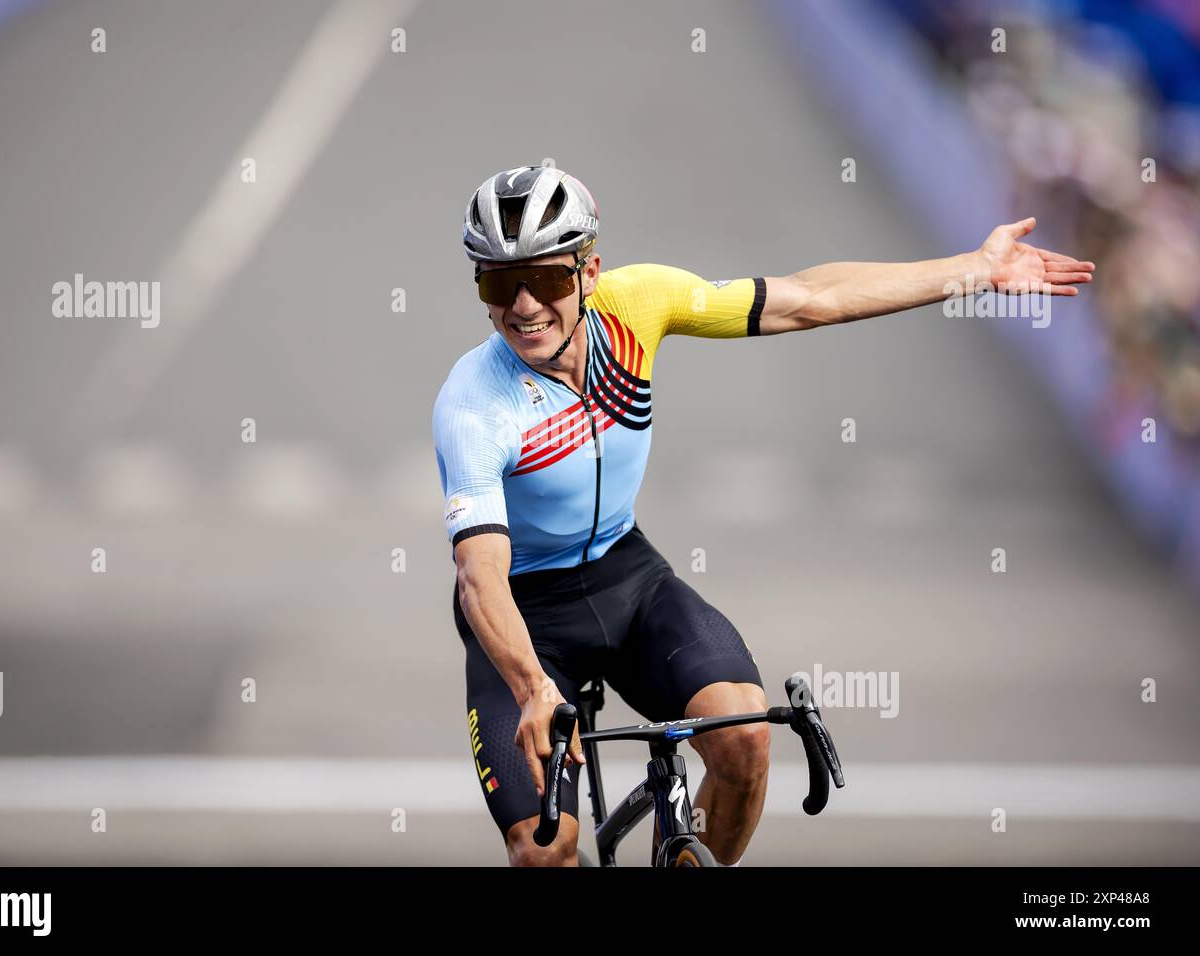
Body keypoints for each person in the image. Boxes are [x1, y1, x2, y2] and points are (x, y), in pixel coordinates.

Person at [432, 162, 1095, 866]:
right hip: (524, 615)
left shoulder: (638, 306)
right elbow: (481, 577)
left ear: (590, 272)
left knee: (745, 739)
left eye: (547, 279)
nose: (524, 306)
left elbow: (806, 298)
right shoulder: (474, 402)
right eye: (499, 283)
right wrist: (533, 687)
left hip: (627, 576)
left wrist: (974, 270)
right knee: (544, 850)